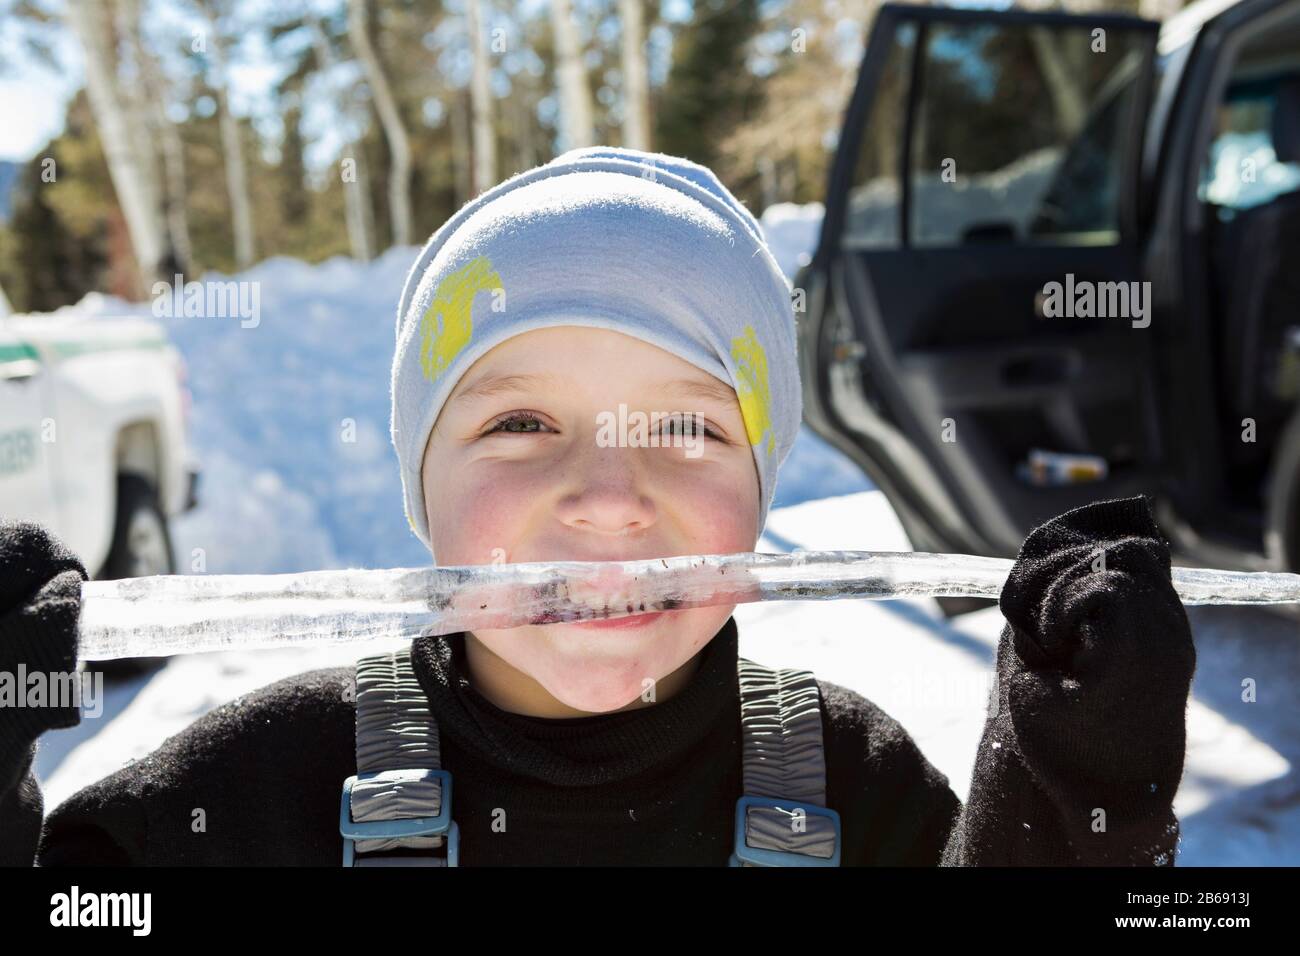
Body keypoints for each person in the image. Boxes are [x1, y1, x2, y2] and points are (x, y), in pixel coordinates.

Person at [0, 147, 1196, 865]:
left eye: (684, 428)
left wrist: (1079, 795)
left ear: (760, 488)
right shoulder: (249, 798)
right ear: (422, 486)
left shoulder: (854, 783)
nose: (610, 498)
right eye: (520, 423)